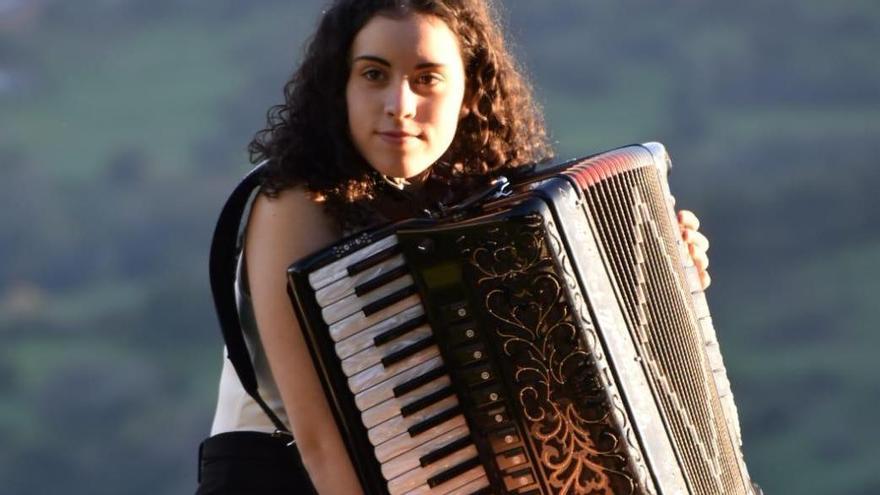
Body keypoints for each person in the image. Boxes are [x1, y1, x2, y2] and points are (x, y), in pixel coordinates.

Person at [198, 0, 711, 493]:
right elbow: (320, 443)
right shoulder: (296, 201)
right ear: (341, 88)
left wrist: (664, 269)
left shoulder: (470, 211)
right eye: (374, 74)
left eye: (427, 79)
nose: (399, 106)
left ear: (469, 93)